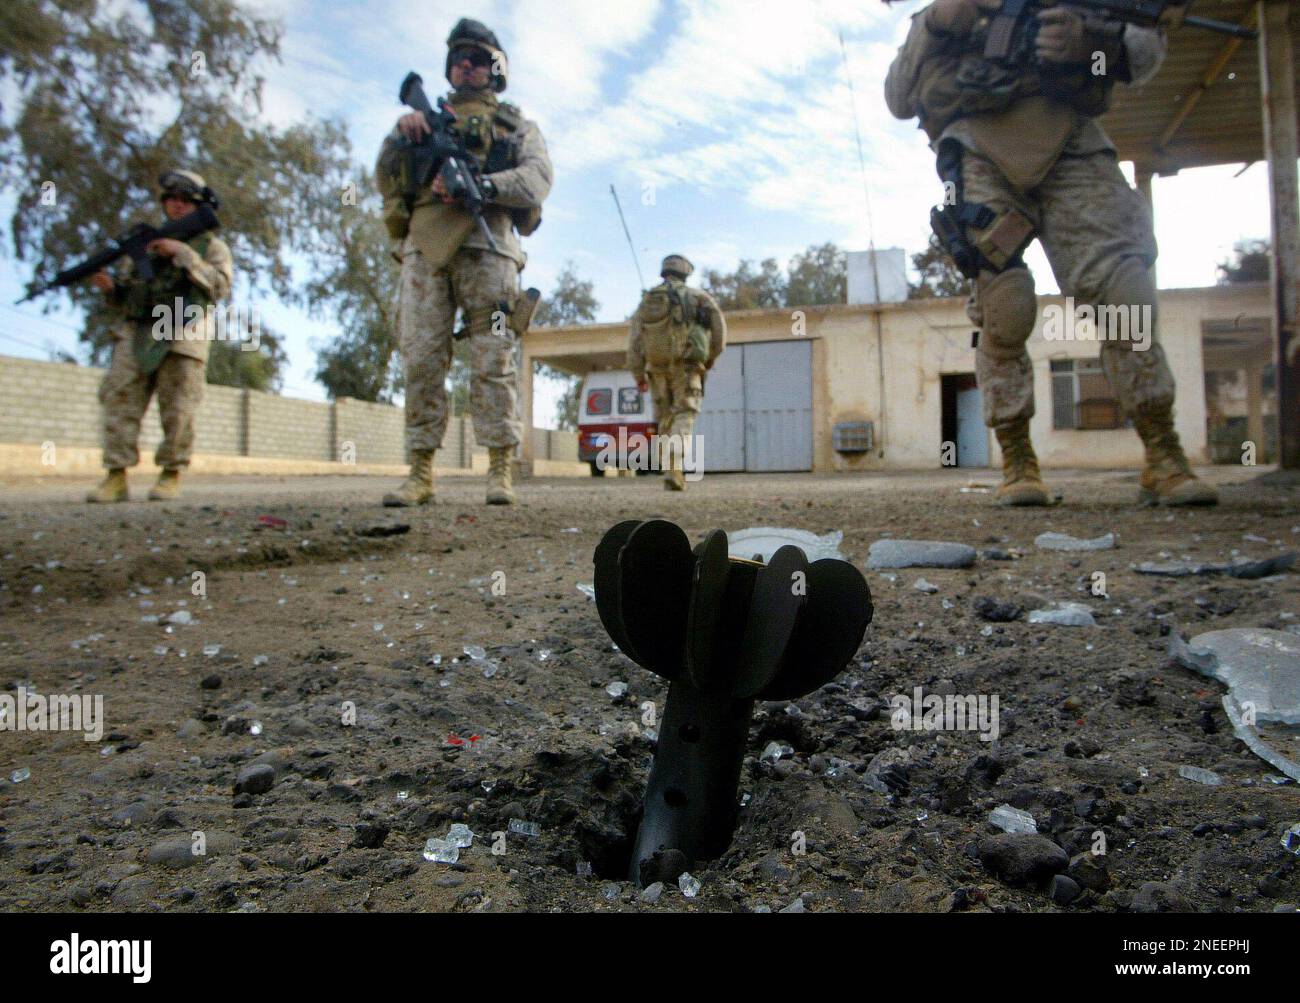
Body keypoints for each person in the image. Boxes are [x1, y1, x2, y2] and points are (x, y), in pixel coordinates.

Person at [885, 0, 1217, 506]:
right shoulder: (947, 13)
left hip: (1072, 145)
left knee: (1124, 293)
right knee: (1005, 304)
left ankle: (1163, 453)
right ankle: (1018, 460)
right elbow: (899, 98)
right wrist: (934, 23)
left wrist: (1094, 47)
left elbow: (1144, 52)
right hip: (977, 153)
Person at [376, 17, 552, 506]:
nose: (465, 66)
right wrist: (400, 138)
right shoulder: (421, 124)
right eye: (457, 59)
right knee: (421, 358)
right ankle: (420, 472)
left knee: (493, 357)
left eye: (476, 59)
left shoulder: (517, 126)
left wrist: (484, 185)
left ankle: (500, 469)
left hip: (489, 248)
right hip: (425, 250)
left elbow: (538, 179)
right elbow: (384, 177)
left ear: (495, 69)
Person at [87, 170, 232, 503]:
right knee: (120, 397)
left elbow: (220, 286)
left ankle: (171, 473)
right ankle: (116, 476)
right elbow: (132, 294)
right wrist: (112, 290)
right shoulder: (147, 246)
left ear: (198, 206)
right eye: (171, 200)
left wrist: (182, 253)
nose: (176, 206)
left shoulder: (212, 246)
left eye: (184, 201)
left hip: (182, 328)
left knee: (178, 407)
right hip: (139, 328)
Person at [626, 255, 726, 491]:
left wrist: (638, 374)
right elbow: (719, 333)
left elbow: (634, 342)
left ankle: (668, 467)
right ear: (685, 273)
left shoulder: (647, 301)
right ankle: (674, 468)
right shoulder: (698, 298)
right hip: (687, 367)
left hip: (656, 370)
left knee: (665, 419)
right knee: (685, 413)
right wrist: (710, 357)